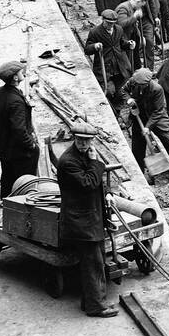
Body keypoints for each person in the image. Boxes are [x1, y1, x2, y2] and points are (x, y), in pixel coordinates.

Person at [57, 121, 118, 317]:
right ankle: (96, 306)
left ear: (92, 140)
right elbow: (88, 183)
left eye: (87, 140)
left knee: (96, 261)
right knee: (93, 264)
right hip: (81, 222)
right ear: (74, 138)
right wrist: (95, 163)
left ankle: (89, 301)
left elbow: (97, 182)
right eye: (80, 140)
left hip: (91, 218)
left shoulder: (86, 155)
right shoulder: (68, 161)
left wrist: (107, 192)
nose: (83, 144)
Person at [0, 60, 39, 196]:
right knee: (25, 182)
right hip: (19, 151)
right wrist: (31, 145)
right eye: (21, 72)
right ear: (15, 78)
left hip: (3, 148)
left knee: (7, 178)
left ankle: (5, 201)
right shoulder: (16, 101)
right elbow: (19, 130)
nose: (24, 73)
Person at [124, 68, 169, 170]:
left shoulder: (157, 89)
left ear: (148, 82)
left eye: (143, 85)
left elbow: (158, 111)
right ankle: (140, 169)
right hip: (139, 115)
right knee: (137, 144)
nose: (140, 86)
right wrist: (129, 99)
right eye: (138, 84)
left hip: (157, 118)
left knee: (168, 141)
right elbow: (124, 91)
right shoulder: (133, 81)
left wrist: (148, 127)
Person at [86, 8, 133, 104]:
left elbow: (122, 43)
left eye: (112, 23)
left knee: (121, 92)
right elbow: (87, 49)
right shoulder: (95, 32)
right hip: (104, 69)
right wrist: (95, 46)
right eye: (108, 23)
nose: (110, 25)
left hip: (119, 67)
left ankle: (118, 111)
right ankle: (111, 107)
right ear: (102, 20)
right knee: (110, 92)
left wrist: (129, 44)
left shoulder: (119, 29)